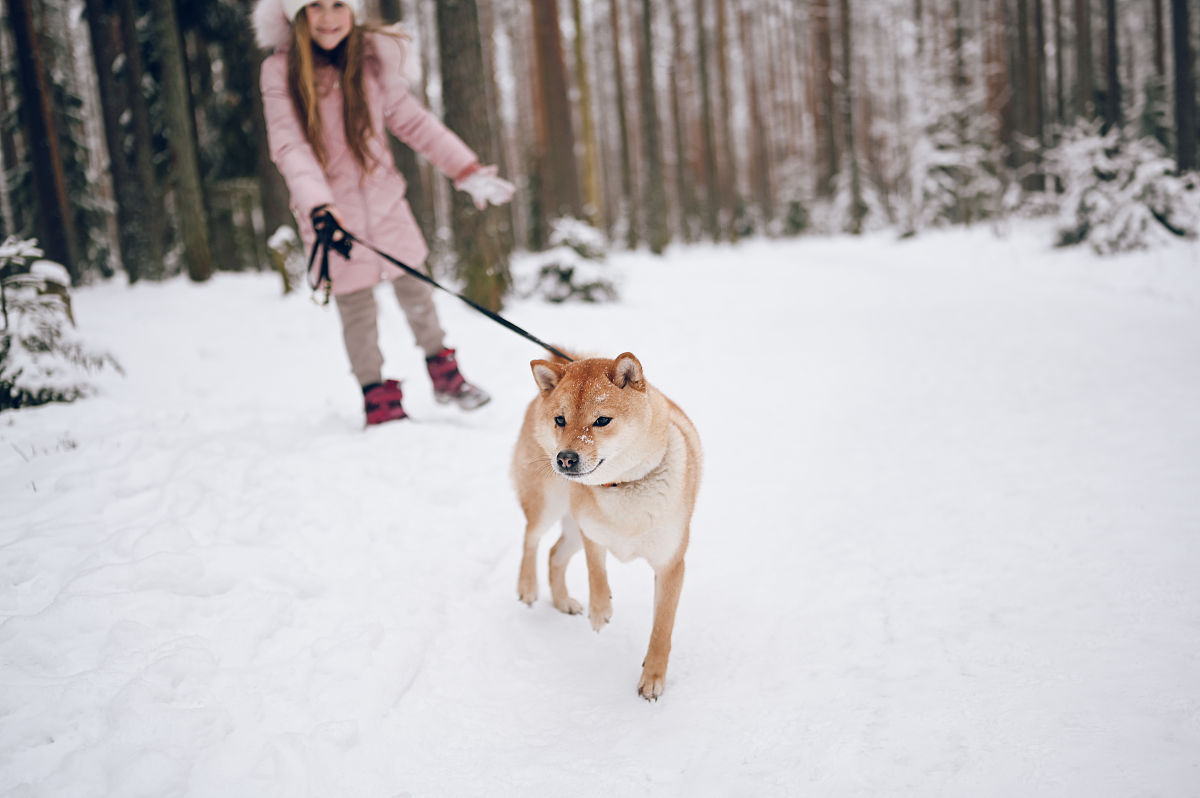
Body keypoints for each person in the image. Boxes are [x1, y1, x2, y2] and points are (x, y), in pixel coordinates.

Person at [253, 0, 515, 425]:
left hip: (386, 203)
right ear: (296, 15)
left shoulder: (372, 62)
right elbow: (289, 145)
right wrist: (318, 204)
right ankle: (376, 394)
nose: (329, 16)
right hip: (329, 216)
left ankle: (445, 373)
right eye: (314, 5)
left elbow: (413, 121)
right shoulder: (279, 71)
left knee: (418, 291)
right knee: (356, 310)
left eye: (339, 4)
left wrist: (464, 168)